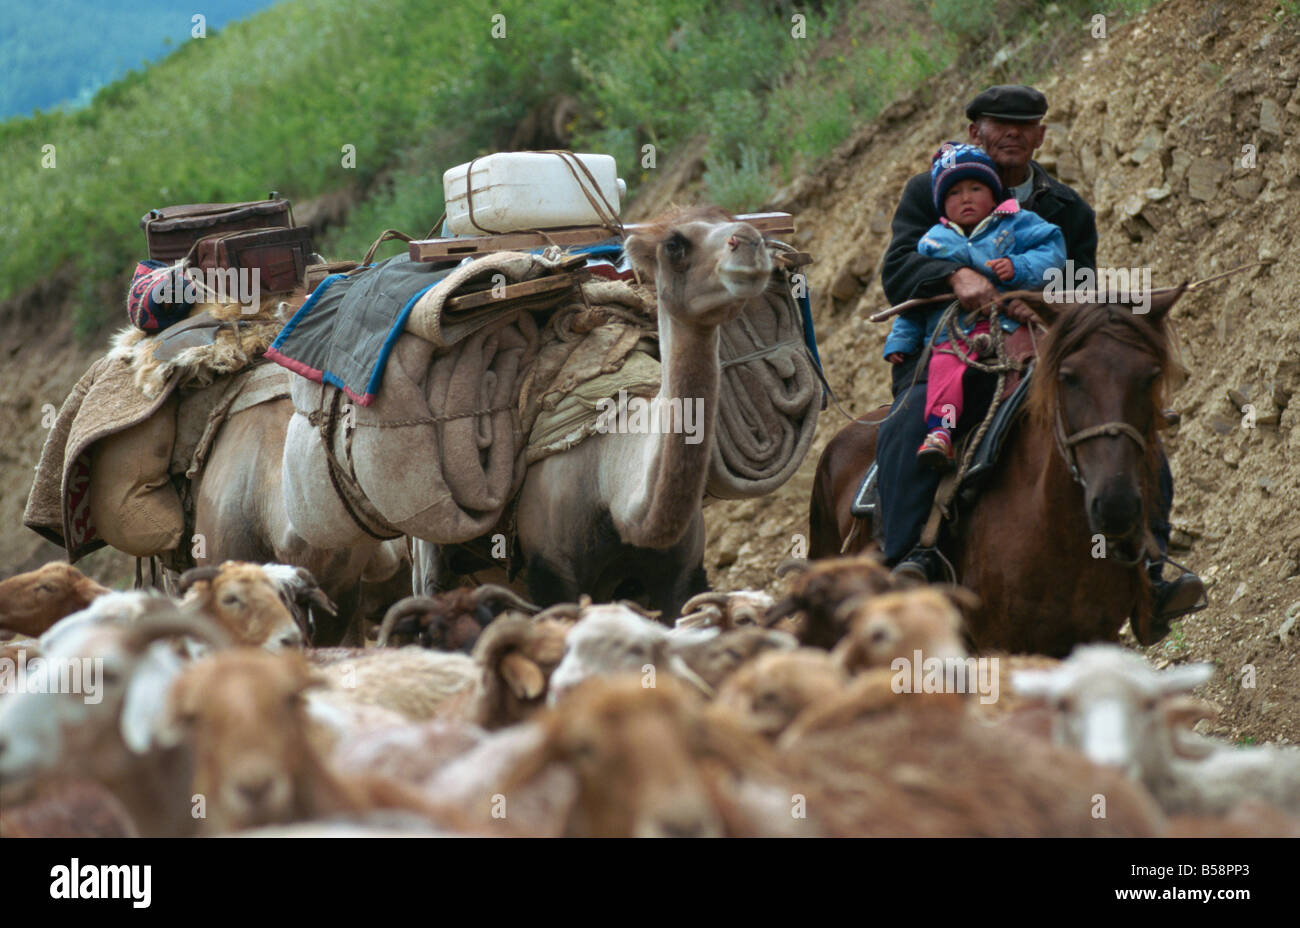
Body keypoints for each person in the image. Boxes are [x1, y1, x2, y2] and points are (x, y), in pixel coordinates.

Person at [874, 84, 1204, 627]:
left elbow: (1083, 289)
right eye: (998, 124)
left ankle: (1151, 571)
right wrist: (953, 274)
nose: (1012, 133)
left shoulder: (1066, 208)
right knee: (906, 426)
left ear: (1041, 136)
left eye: (1024, 125)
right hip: (952, 347)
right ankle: (909, 560)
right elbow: (898, 272)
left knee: (1129, 429)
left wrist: (1057, 308)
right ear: (974, 130)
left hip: (1044, 353)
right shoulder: (928, 191)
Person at [883, 142, 1066, 469]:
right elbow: (915, 302)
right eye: (954, 193)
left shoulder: (1018, 222)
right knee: (945, 374)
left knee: (1063, 364)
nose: (965, 198)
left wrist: (1019, 267)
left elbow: (1052, 251)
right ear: (941, 205)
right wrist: (901, 341)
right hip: (956, 337)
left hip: (1016, 326)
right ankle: (941, 431)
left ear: (995, 195)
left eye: (976, 188)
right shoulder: (932, 242)